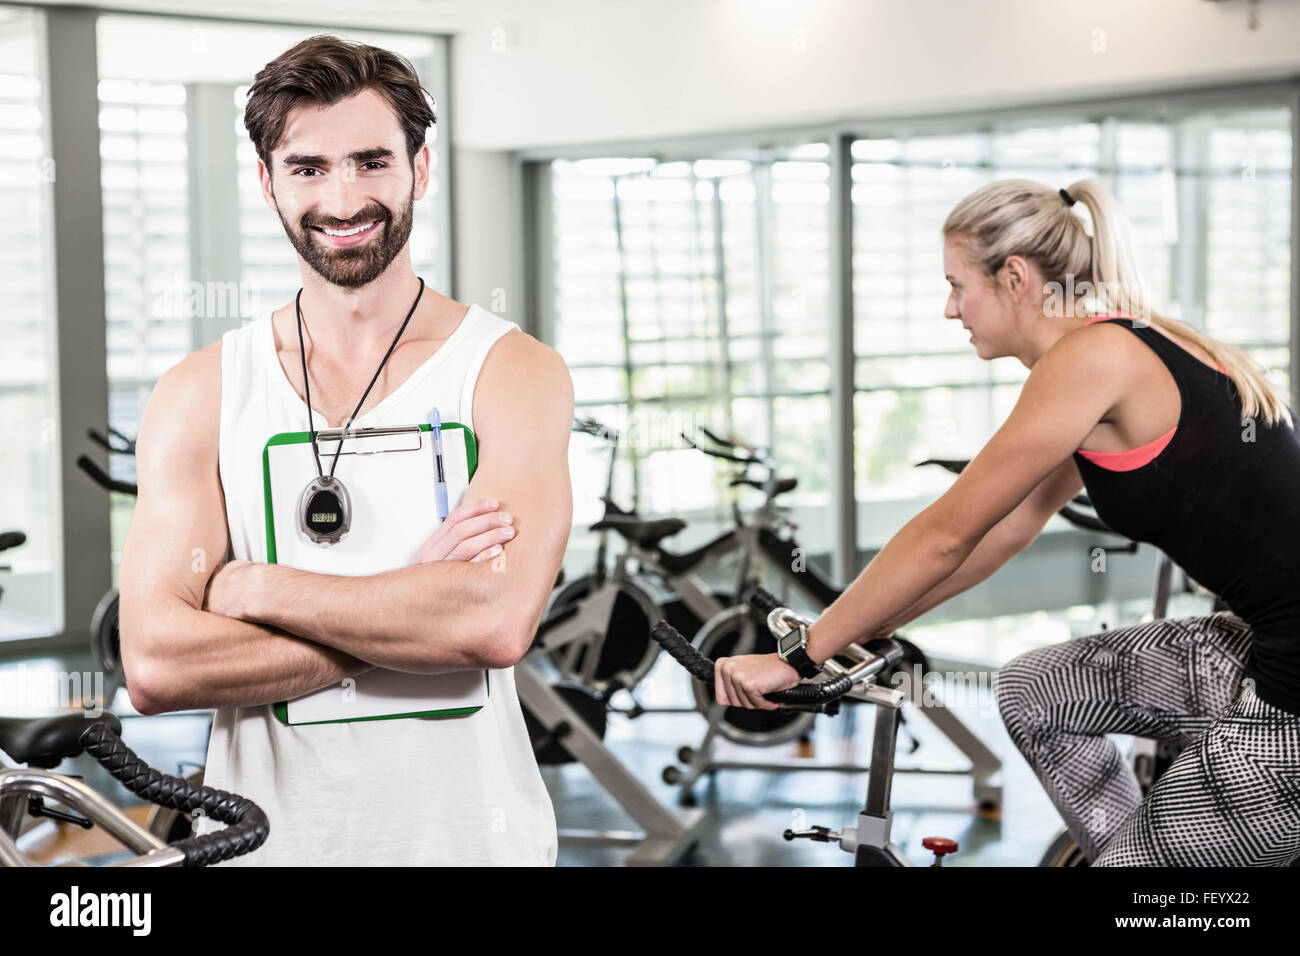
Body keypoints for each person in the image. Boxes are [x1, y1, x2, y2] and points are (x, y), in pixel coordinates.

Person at [713, 177, 1300, 866]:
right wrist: (862, 632)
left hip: (1292, 689)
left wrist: (800, 654)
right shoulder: (1120, 349)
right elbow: (1004, 528)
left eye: (958, 285)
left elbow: (946, 534)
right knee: (1036, 692)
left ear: (1014, 277)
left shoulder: (1092, 359)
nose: (949, 308)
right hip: (1258, 641)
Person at [117, 35, 573, 865]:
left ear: (419, 169)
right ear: (268, 182)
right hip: (269, 850)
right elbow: (155, 662)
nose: (343, 196)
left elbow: (495, 623)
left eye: (371, 161)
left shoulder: (510, 372)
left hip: (474, 846)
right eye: (308, 168)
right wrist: (415, 612)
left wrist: (253, 586)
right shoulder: (202, 392)